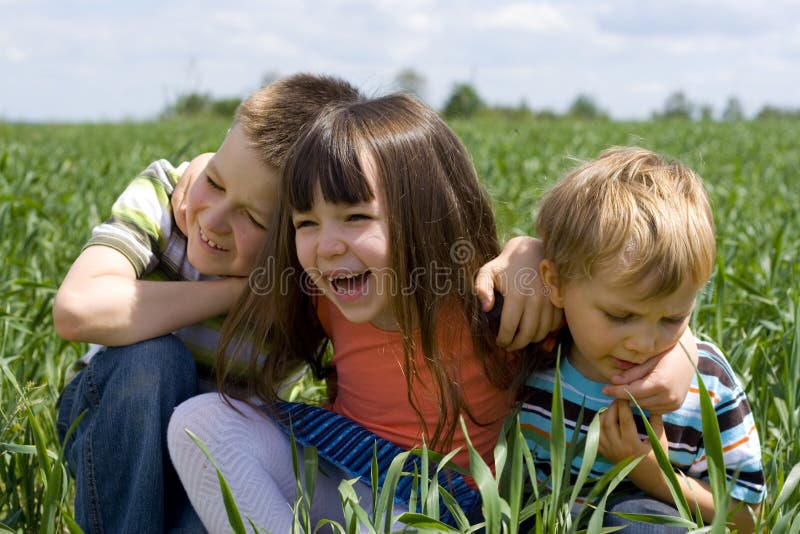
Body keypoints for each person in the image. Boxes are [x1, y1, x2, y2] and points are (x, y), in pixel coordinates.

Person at [166, 97, 703, 533]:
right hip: (341, 464)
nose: (326, 246)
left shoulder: (497, 305)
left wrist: (681, 353)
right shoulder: (323, 296)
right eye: (307, 222)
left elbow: (625, 310)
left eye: (355, 217)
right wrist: (195, 178)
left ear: (425, 216)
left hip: (439, 504)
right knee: (199, 422)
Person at [53, 73, 364, 533]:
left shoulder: (313, 272)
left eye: (253, 217)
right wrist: (240, 290)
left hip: (209, 447)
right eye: (215, 181)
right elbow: (78, 307)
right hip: (114, 424)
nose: (212, 218)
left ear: (302, 231)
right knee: (154, 359)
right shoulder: (165, 196)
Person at [519, 147, 765, 532]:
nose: (644, 343)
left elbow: (748, 518)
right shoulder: (533, 358)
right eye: (620, 316)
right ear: (556, 284)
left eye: (672, 318)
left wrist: (653, 473)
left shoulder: (707, 383)